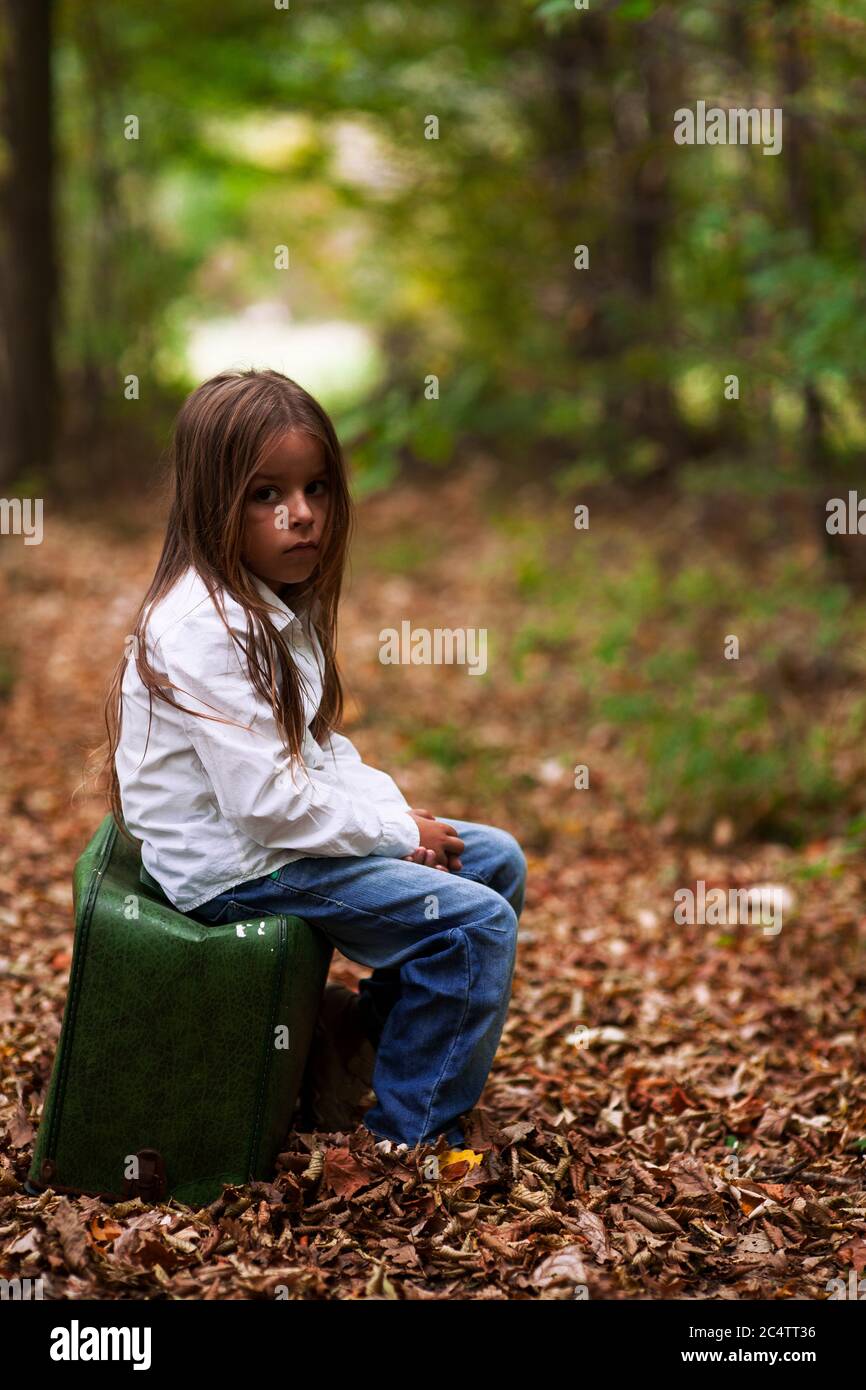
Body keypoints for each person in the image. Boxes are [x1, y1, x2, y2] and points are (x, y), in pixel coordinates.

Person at [101, 367, 527, 1153]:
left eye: (317, 489)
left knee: (491, 859)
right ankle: (409, 1138)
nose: (301, 516)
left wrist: (404, 822)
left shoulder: (262, 603)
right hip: (235, 871)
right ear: (213, 502)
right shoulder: (204, 628)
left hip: (265, 843)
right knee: (473, 923)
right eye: (266, 495)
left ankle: (361, 1046)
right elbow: (269, 806)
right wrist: (397, 830)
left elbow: (316, 751)